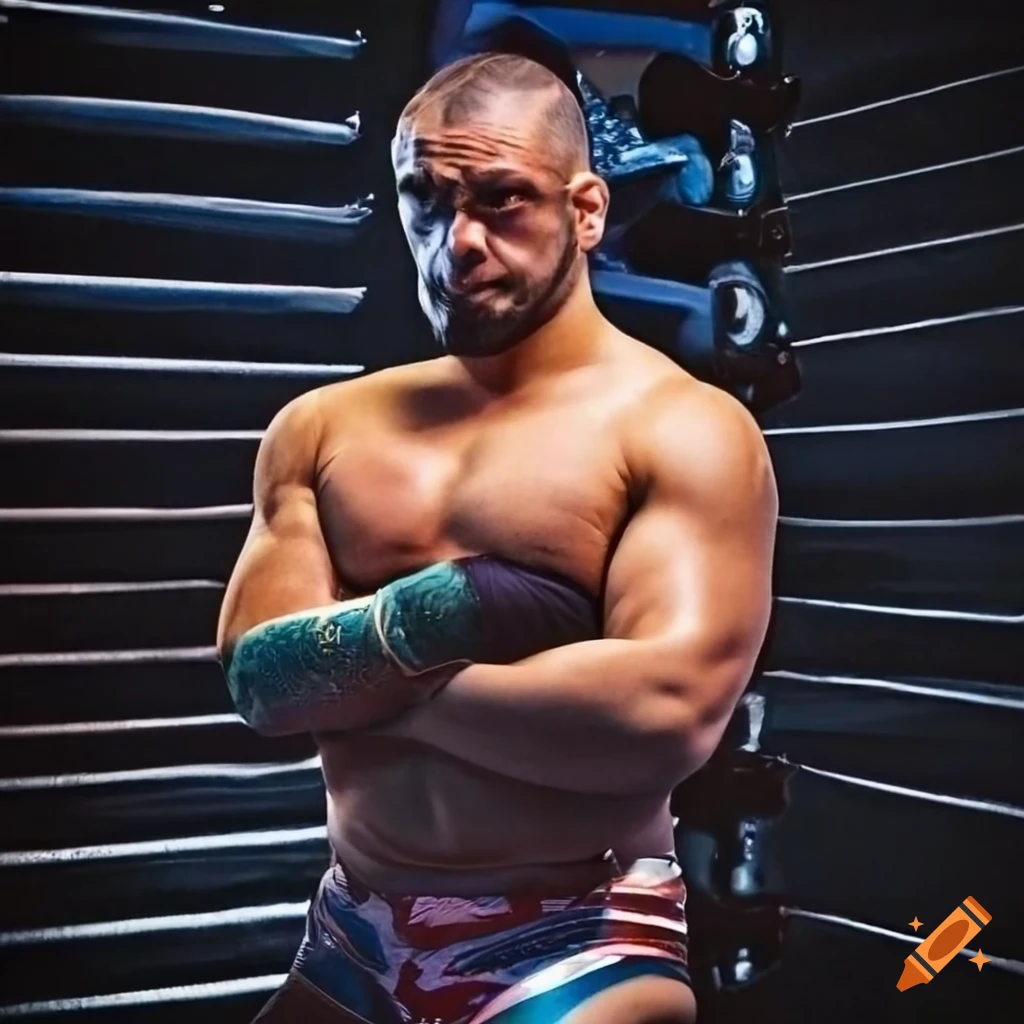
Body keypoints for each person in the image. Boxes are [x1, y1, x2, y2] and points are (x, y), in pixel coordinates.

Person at [217, 51, 777, 1024]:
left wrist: (363, 670)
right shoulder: (321, 428)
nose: (457, 242)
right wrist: (453, 613)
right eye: (425, 202)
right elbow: (259, 679)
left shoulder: (681, 430)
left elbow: (660, 719)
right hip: (356, 932)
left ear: (587, 210)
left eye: (502, 201)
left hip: (578, 940)